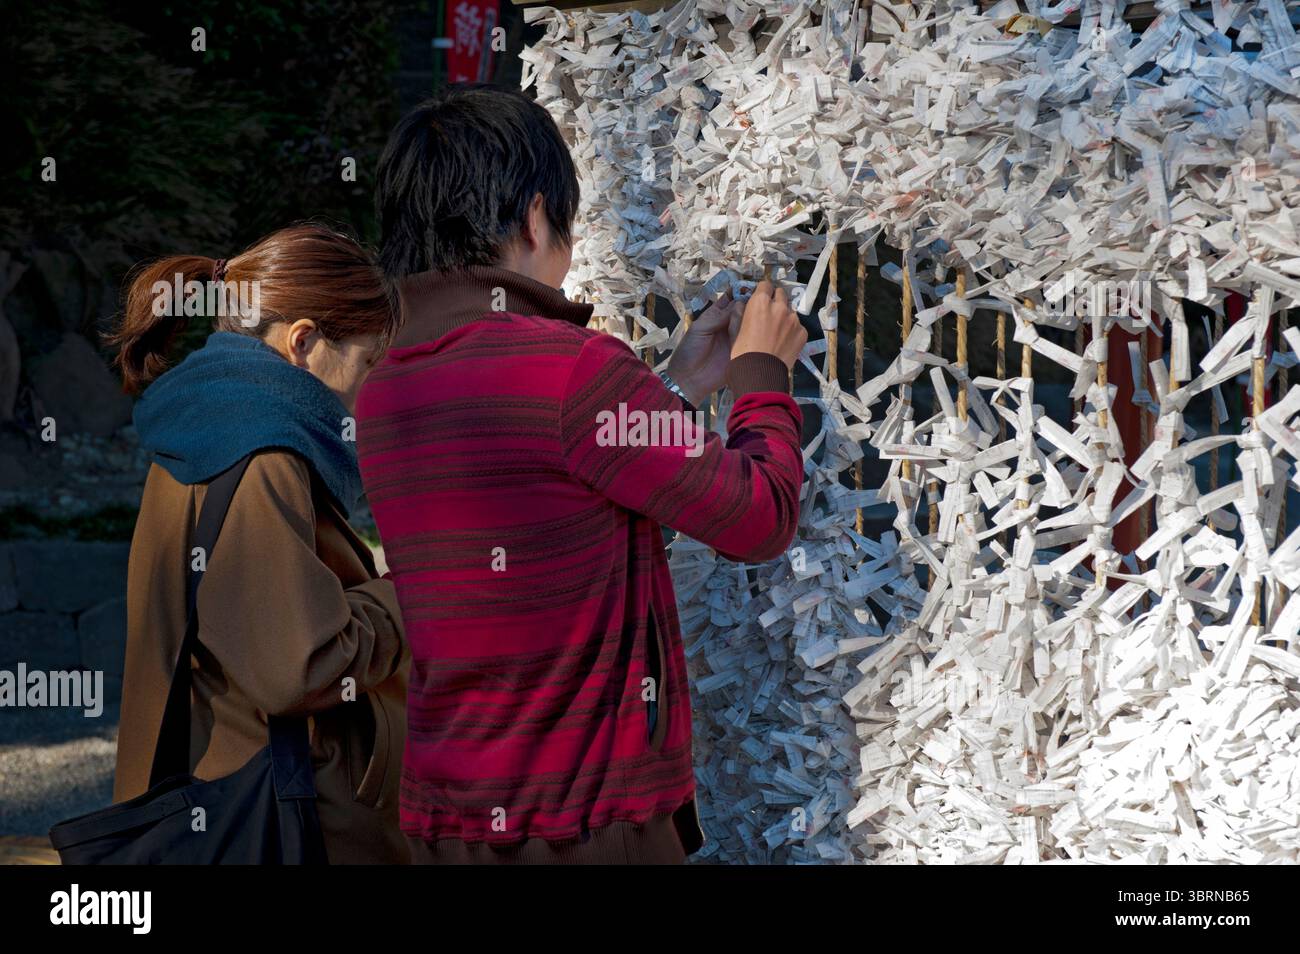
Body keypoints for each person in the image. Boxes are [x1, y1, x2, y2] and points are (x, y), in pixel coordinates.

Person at [358, 84, 807, 864]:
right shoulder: (571, 371)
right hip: (583, 826)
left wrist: (676, 393)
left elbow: (558, 498)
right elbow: (758, 518)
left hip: (447, 824)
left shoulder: (387, 384)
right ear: (535, 218)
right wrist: (761, 374)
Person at [108, 223, 410, 864]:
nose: (368, 390)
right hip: (279, 821)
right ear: (303, 341)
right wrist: (402, 599)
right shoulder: (261, 448)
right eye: (366, 361)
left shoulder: (208, 417)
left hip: (225, 795)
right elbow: (298, 667)